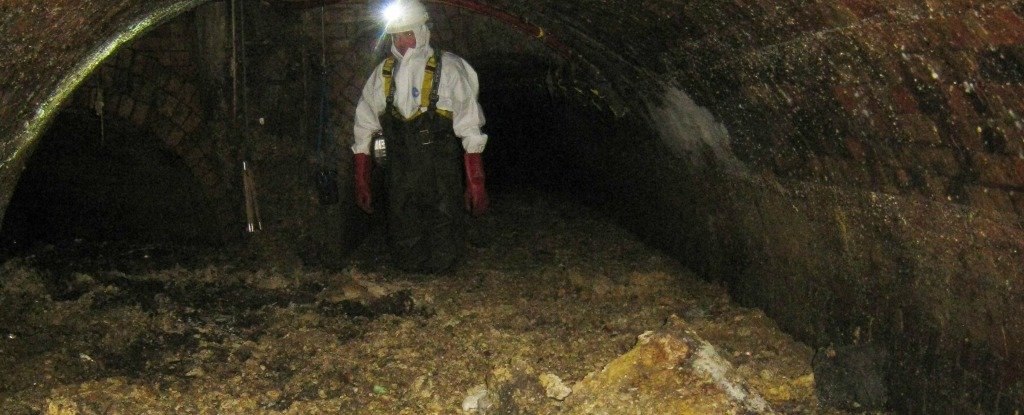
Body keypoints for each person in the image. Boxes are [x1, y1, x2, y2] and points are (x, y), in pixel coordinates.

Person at [350, 0, 489, 272]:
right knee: (403, 231)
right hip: (400, 170)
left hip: (439, 167)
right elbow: (363, 126)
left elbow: (470, 125)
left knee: (444, 232)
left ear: (422, 31)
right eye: (397, 36)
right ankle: (413, 288)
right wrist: (361, 178)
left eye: (408, 34)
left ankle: (445, 290)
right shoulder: (383, 74)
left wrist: (476, 181)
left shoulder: (449, 68)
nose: (402, 43)